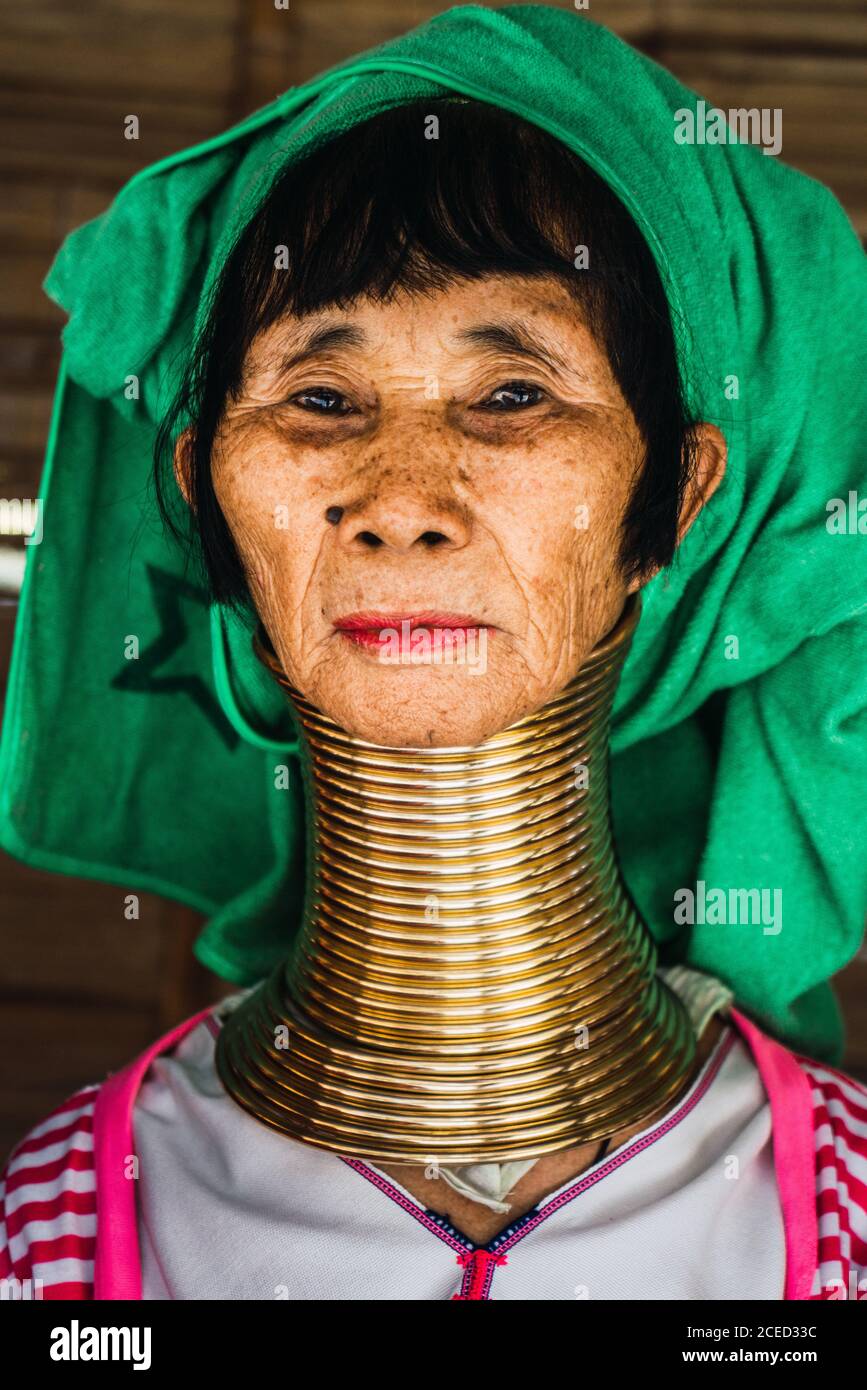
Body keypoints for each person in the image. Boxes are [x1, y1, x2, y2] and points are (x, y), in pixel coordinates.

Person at [1, 6, 865, 1301]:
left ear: (674, 500)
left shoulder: (841, 1217)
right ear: (206, 500)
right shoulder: (70, 1227)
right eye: (319, 398)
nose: (401, 497)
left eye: (513, 392)